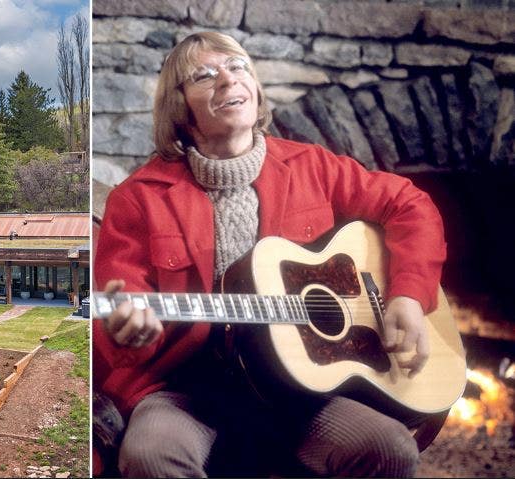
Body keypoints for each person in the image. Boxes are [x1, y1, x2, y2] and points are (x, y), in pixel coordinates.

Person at [93, 31, 446, 478]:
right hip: (186, 390)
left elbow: (409, 204)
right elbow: (119, 304)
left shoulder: (312, 166)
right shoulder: (138, 199)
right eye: (204, 75)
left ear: (256, 88)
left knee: (389, 448)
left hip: (299, 389)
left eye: (238, 67)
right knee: (152, 457)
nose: (227, 80)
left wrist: (408, 296)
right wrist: (127, 330)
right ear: (179, 108)